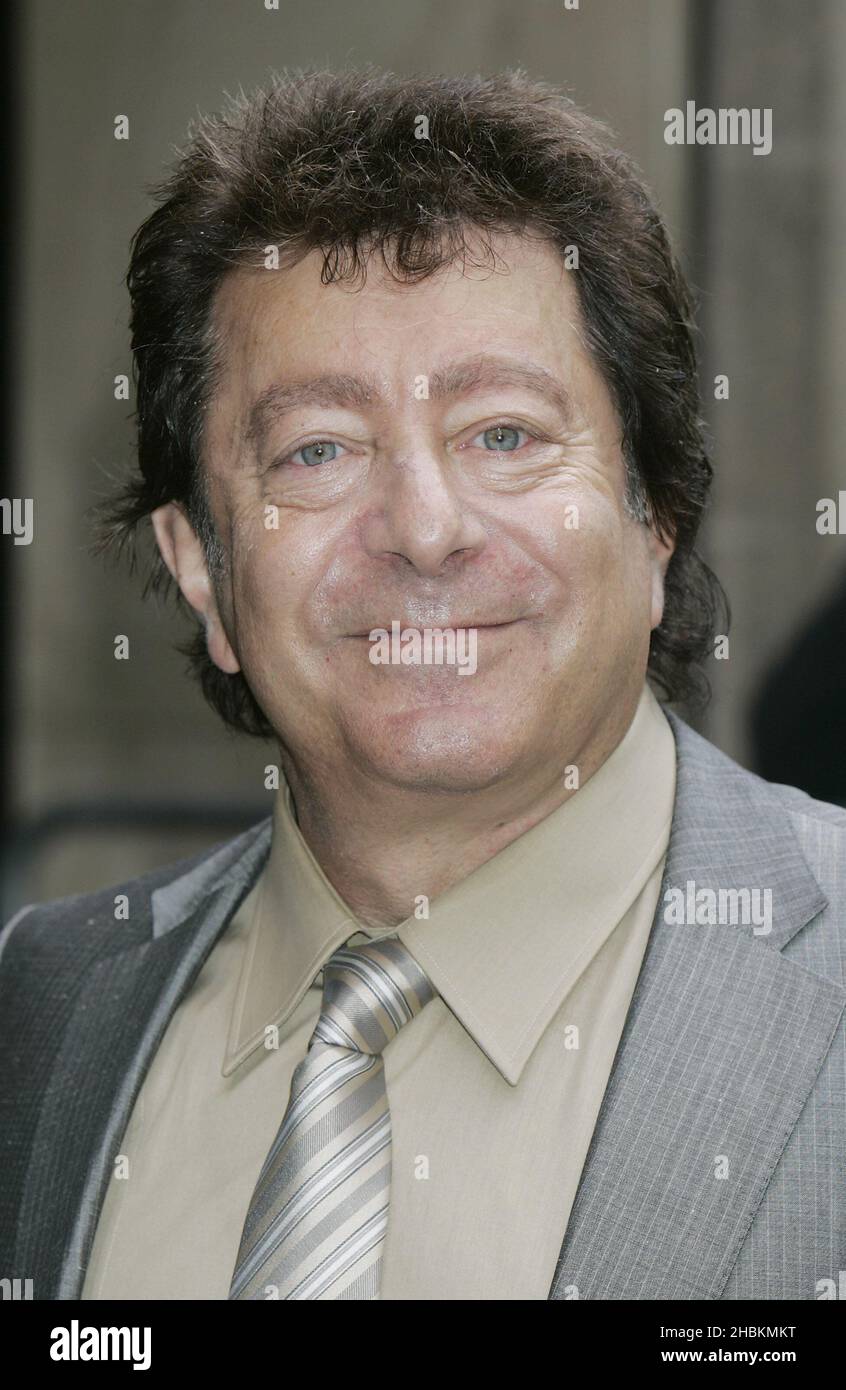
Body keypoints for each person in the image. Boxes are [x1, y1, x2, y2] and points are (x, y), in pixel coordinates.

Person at [1, 68, 843, 1302]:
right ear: (200, 567)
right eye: (319, 451)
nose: (425, 527)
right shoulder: (43, 1013)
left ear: (656, 517)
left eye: (504, 432)